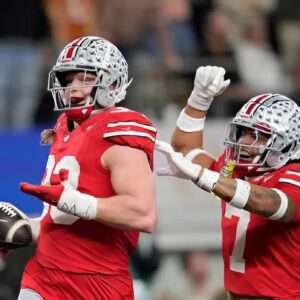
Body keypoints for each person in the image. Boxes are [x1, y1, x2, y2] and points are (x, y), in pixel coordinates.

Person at [7, 36, 157, 299]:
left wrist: (73, 201)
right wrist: (25, 228)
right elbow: (60, 219)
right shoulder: (65, 126)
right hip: (43, 274)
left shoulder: (119, 132)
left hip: (96, 283)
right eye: (68, 80)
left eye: (85, 79)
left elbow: (142, 215)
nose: (72, 89)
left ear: (111, 82)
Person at [155, 65, 300, 298]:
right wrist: (199, 99)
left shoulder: (293, 173)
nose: (244, 141)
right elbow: (184, 151)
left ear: (287, 142)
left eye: (258, 136)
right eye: (243, 132)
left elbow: (270, 204)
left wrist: (205, 177)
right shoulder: (234, 170)